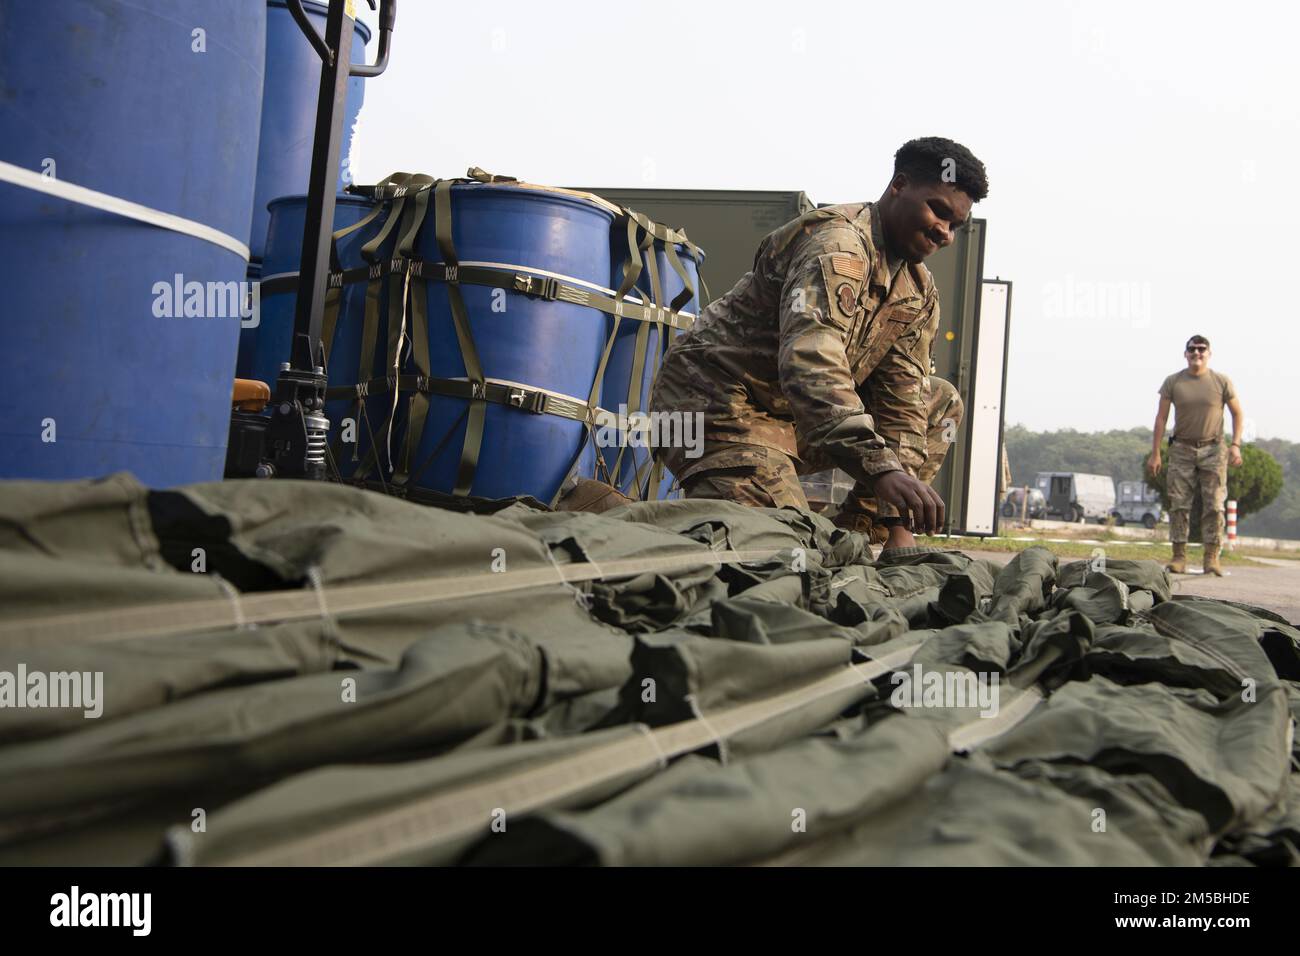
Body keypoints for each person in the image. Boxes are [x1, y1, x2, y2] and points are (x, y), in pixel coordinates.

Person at [649, 137, 988, 549]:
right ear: (898, 185)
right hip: (719, 407)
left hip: (795, 417)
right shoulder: (838, 245)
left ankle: (859, 535)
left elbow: (902, 400)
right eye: (938, 210)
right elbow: (811, 364)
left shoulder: (916, 289)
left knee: (940, 401)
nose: (945, 233)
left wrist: (898, 523)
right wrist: (883, 470)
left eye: (955, 225)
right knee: (782, 550)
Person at [1147, 335, 1244, 576]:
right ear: (1185, 354)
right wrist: (1156, 453)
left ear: (1209, 354)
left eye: (1202, 349)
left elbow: (1237, 414)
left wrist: (1236, 444)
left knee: (1214, 504)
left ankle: (1211, 558)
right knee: (1179, 503)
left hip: (1214, 448)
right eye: (1192, 349)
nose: (1197, 353)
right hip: (1181, 448)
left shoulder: (1221, 381)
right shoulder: (1173, 381)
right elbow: (1161, 418)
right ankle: (1178, 556)